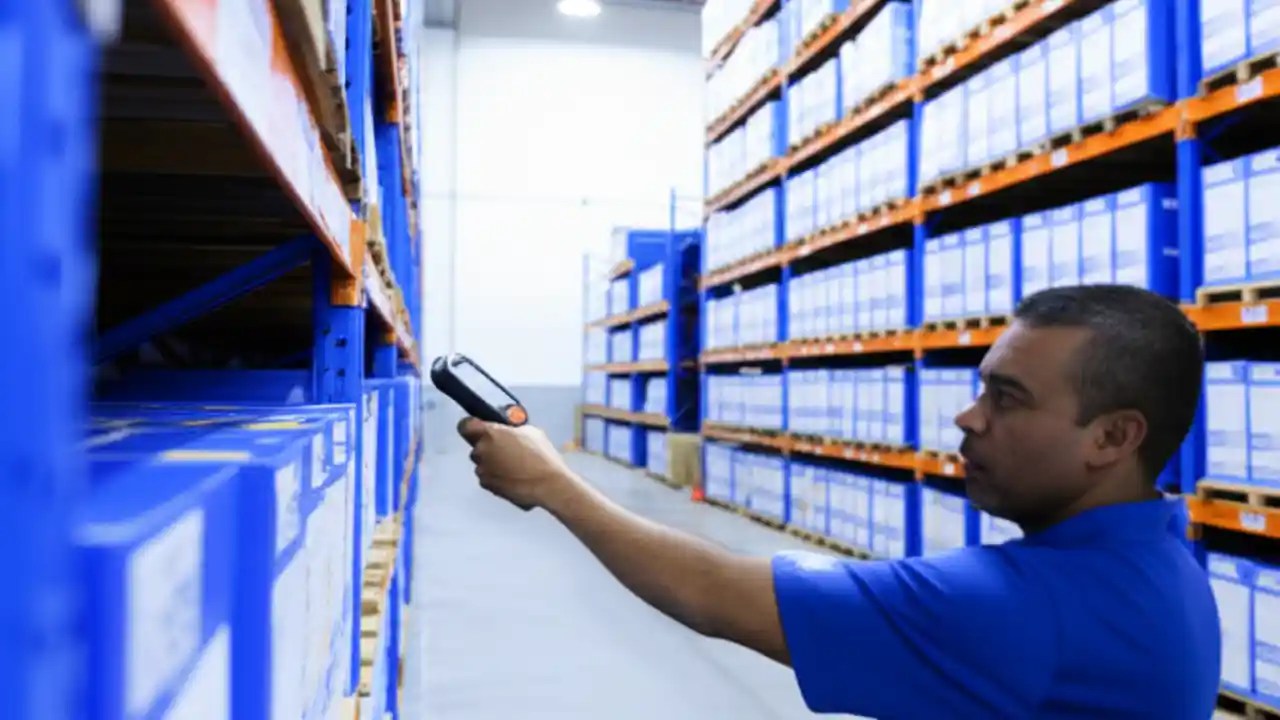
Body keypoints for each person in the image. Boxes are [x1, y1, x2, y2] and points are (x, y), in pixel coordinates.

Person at [458, 285, 1220, 719]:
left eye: (1008, 398)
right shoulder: (1162, 560)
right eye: (982, 384)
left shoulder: (1021, 607)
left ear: (1114, 437)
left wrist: (552, 484)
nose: (969, 416)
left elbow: (716, 596)